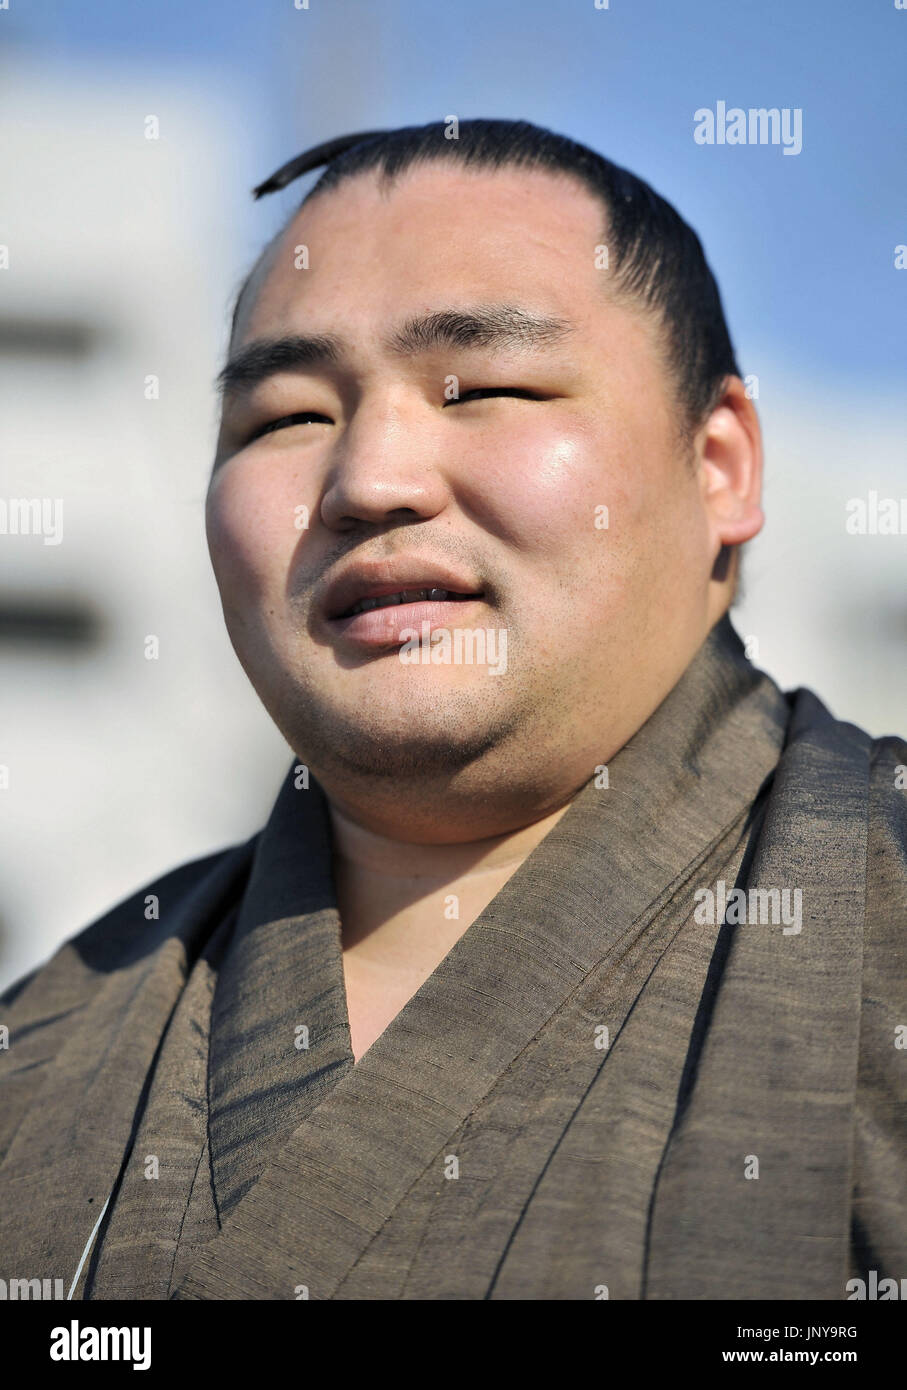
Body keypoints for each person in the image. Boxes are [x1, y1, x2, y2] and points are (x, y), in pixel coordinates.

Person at [1, 120, 903, 1302]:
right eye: (284, 418)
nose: (370, 480)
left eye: (484, 387)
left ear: (720, 463)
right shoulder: (50, 1043)